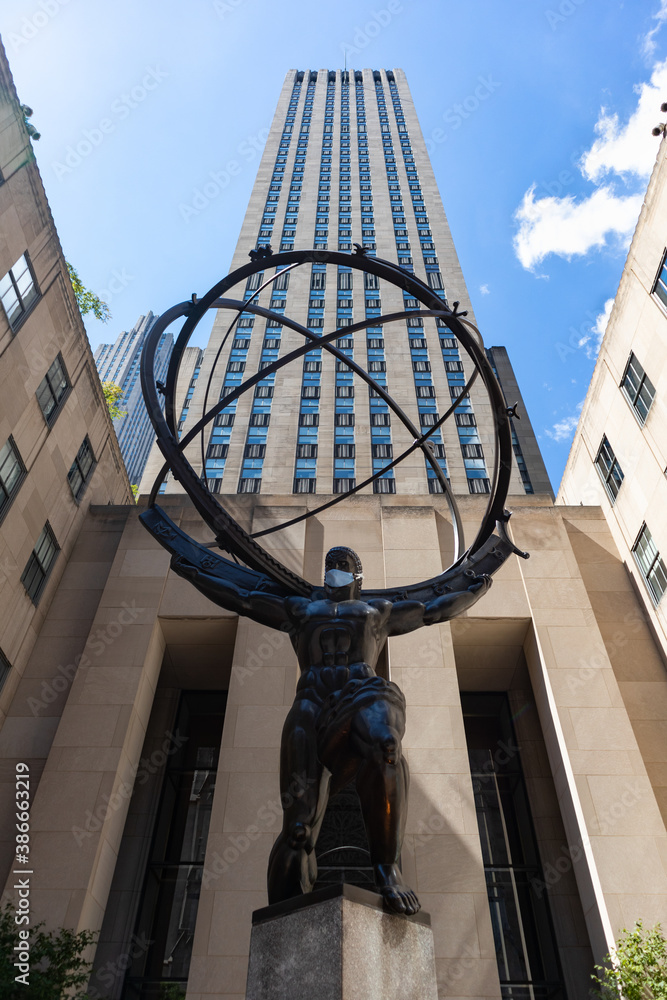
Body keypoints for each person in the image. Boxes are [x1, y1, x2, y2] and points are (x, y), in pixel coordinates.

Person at [171, 545, 490, 916]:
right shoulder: (300, 610)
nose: (334, 569)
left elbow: (431, 610)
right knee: (299, 829)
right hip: (310, 707)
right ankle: (286, 914)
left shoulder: (377, 612)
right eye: (330, 564)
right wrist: (194, 574)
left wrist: (476, 590)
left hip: (359, 697)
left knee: (386, 744)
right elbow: (243, 600)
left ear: (357, 576)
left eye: (343, 564)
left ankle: (387, 869)